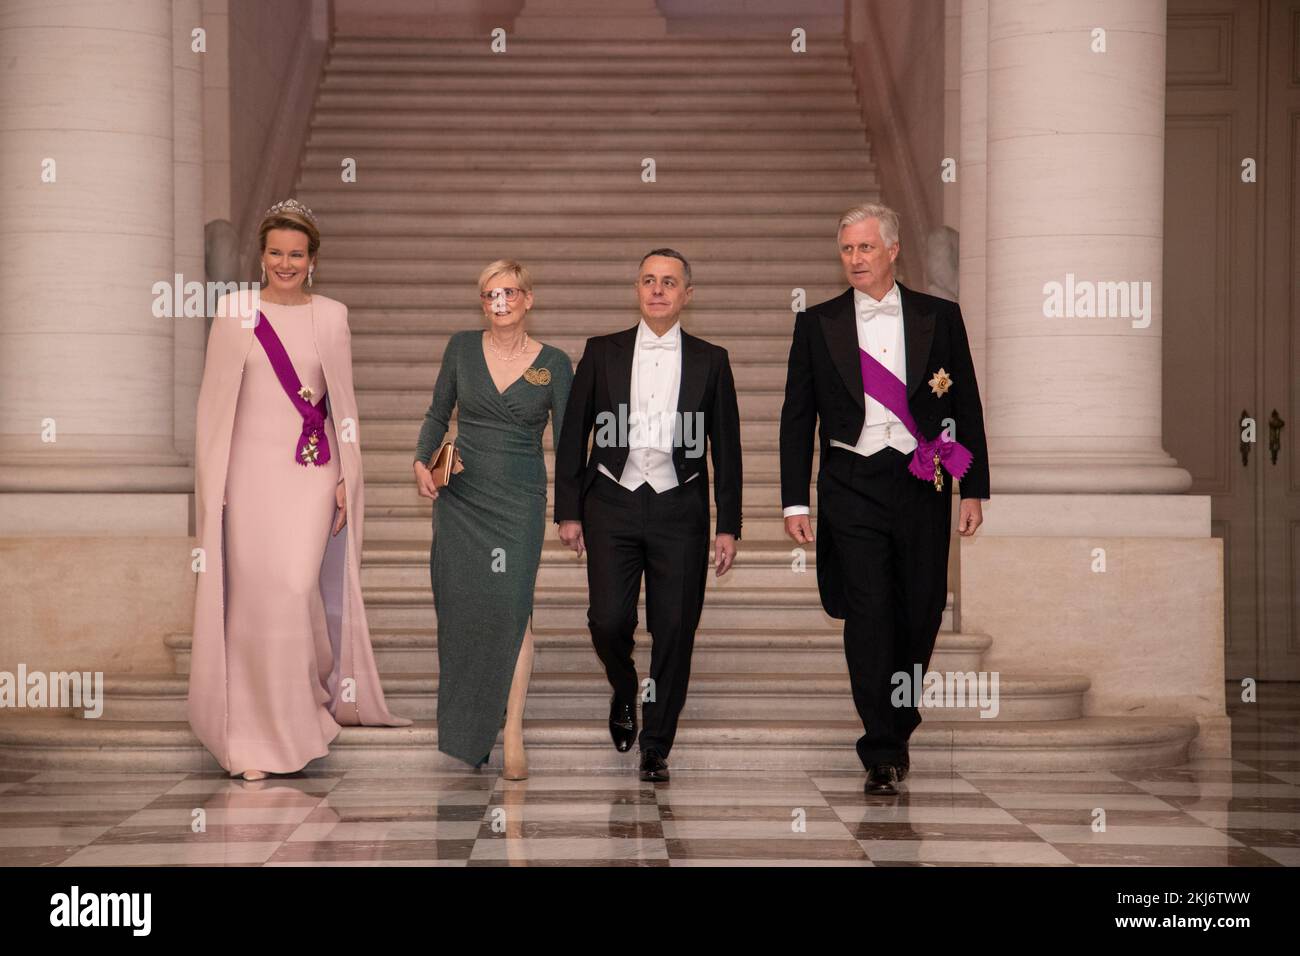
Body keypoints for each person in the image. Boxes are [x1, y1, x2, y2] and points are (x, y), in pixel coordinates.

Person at [190, 198, 410, 780]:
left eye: (297, 254)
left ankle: (298, 717)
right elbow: (213, 408)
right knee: (253, 602)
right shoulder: (235, 311)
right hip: (247, 475)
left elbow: (344, 402)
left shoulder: (332, 315)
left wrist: (347, 473)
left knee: (292, 589)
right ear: (261, 256)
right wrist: (214, 485)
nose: (285, 263)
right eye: (275, 252)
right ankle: (251, 739)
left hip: (311, 471)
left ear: (313, 259)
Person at [779, 202, 990, 796]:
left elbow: (966, 401)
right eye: (847, 249)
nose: (855, 259)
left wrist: (974, 487)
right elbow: (797, 418)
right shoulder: (817, 323)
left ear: (893, 250)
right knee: (868, 614)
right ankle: (880, 747)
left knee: (920, 610)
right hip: (850, 483)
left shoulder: (939, 317)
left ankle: (899, 719)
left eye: (865, 248)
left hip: (924, 480)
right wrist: (795, 500)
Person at [554, 249, 742, 783]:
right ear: (637, 289)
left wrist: (728, 522)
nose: (658, 290)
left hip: (679, 505)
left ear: (687, 294)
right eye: (648, 281)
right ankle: (622, 685)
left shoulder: (712, 359)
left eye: (669, 282)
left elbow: (726, 447)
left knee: (675, 627)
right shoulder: (601, 352)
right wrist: (568, 511)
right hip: (610, 500)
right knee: (608, 619)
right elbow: (574, 437)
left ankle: (657, 743)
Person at [414, 260, 573, 779]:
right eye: (489, 295)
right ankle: (472, 732)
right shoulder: (461, 348)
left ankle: (513, 732)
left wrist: (572, 513)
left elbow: (569, 444)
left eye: (508, 292)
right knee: (463, 610)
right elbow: (439, 413)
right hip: (462, 496)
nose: (498, 302)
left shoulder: (554, 362)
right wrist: (424, 459)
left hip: (519, 500)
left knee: (513, 607)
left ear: (529, 298)